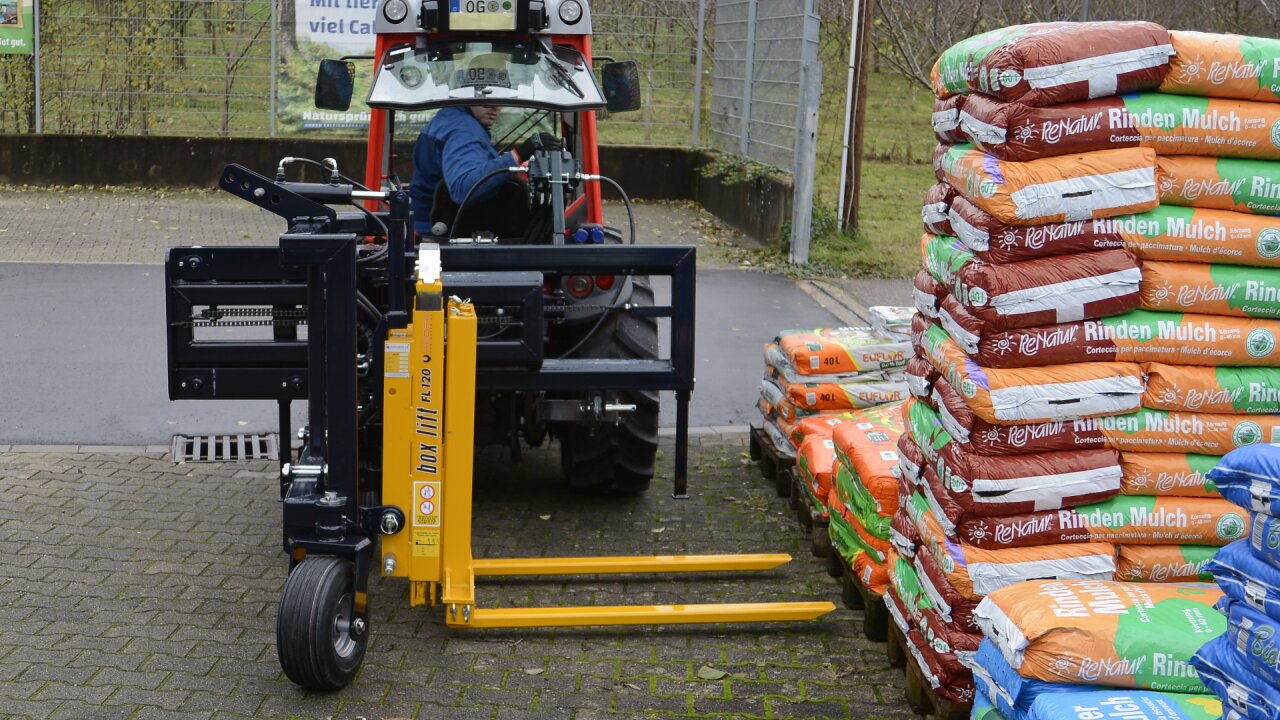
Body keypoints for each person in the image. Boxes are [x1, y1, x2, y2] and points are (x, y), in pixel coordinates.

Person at [409, 104, 558, 239]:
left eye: (501, 100)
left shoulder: (448, 118)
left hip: (427, 228)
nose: (495, 107)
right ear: (468, 93)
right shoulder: (463, 130)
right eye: (486, 99)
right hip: (443, 237)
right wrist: (518, 155)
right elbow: (464, 189)